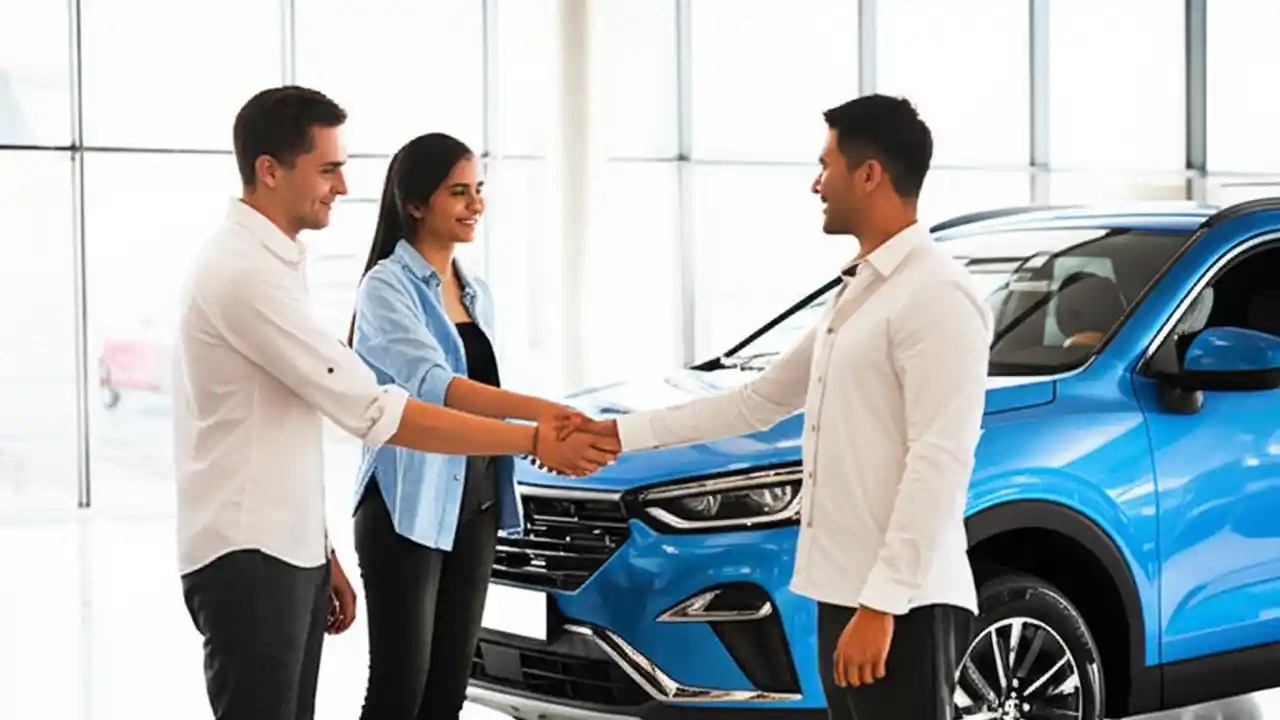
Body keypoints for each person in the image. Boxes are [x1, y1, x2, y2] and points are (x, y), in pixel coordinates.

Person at [172, 86, 616, 720]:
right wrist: (536, 435)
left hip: (284, 544)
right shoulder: (244, 273)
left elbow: (276, 434)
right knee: (394, 690)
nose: (344, 186)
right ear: (270, 170)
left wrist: (316, 550)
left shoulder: (274, 266)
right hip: (254, 552)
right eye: (328, 169)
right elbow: (378, 408)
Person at [559, 95, 992, 719]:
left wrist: (883, 605)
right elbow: (757, 403)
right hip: (845, 591)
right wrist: (617, 434)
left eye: (826, 164)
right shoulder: (862, 292)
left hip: (904, 604)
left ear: (869, 174)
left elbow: (941, 460)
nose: (816, 183)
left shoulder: (937, 293)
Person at [345, 132, 574, 718]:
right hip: (407, 507)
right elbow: (433, 387)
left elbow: (483, 395)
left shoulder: (476, 292)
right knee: (402, 686)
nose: (475, 204)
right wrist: (543, 414)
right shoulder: (385, 288)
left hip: (476, 504)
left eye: (478, 190)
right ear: (415, 204)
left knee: (449, 688)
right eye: (458, 192)